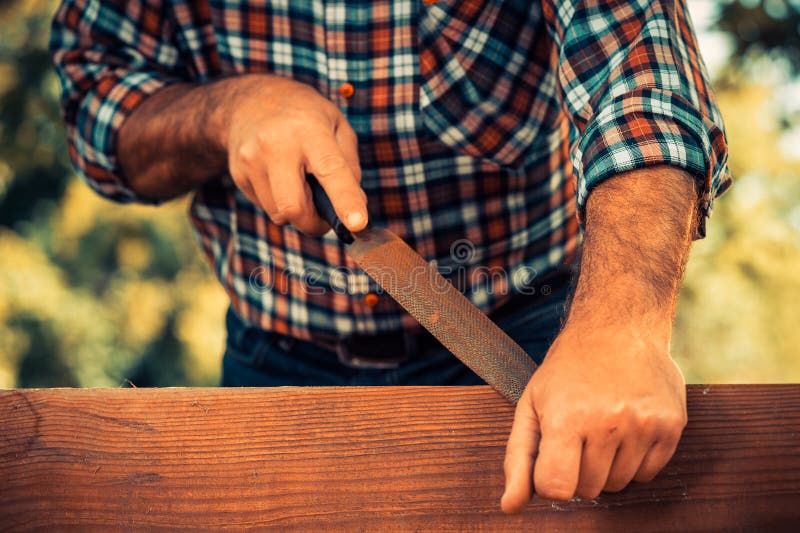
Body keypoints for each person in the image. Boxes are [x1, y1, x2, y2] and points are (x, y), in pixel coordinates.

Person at [50, 0, 731, 512]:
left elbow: (643, 82)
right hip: (273, 362)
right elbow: (95, 97)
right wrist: (229, 110)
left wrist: (621, 326)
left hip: (537, 357)